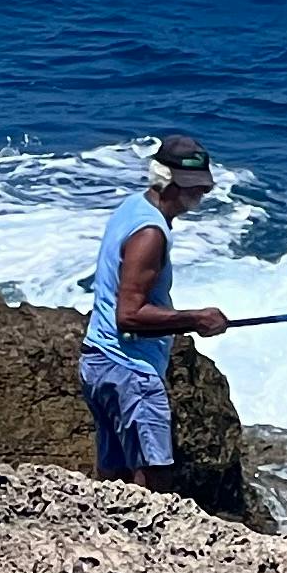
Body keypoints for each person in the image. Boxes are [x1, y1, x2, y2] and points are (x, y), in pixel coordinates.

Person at [78, 134, 227, 487]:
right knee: (154, 475)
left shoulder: (133, 207)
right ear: (165, 180)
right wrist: (196, 319)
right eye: (188, 186)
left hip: (99, 358)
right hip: (130, 368)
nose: (198, 194)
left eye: (201, 185)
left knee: (114, 475)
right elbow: (129, 315)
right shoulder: (150, 233)